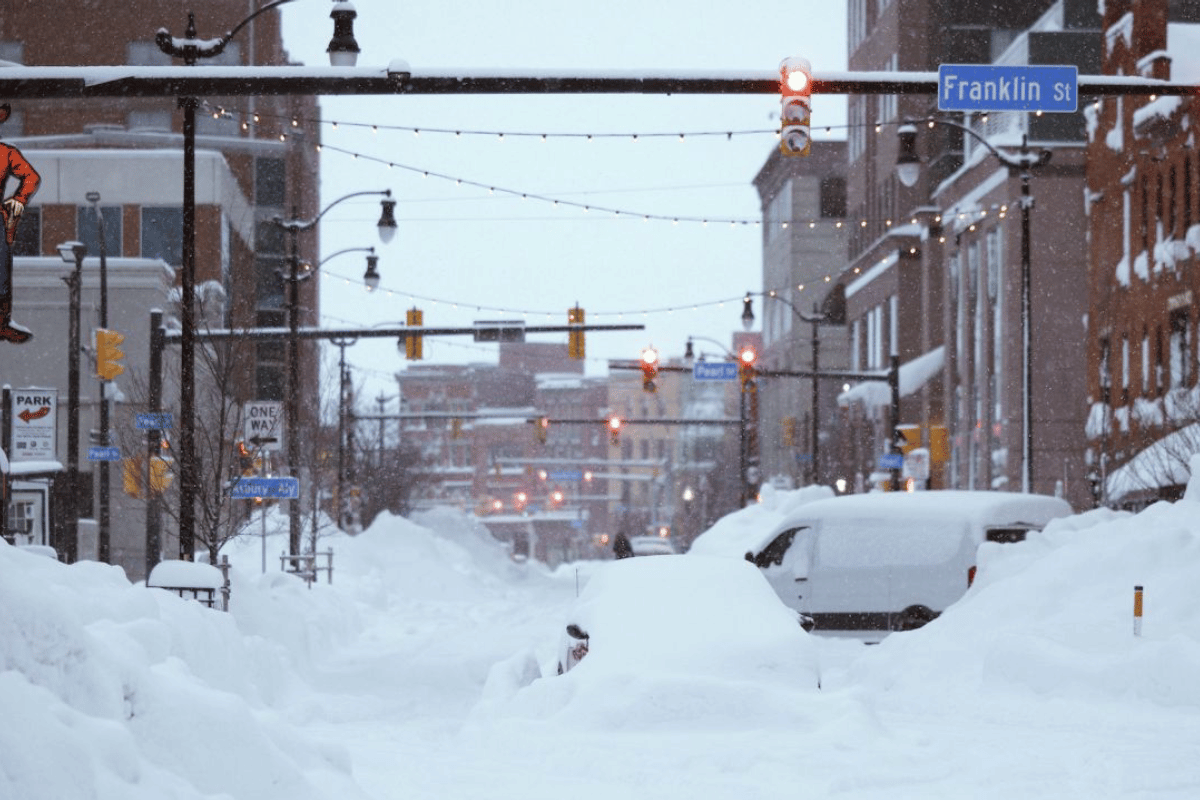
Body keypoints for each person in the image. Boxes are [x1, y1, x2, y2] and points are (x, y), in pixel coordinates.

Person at [0, 103, 42, 345]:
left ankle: (2, 322)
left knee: (2, 270)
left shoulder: (5, 153)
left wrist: (18, 200)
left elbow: (31, 178)